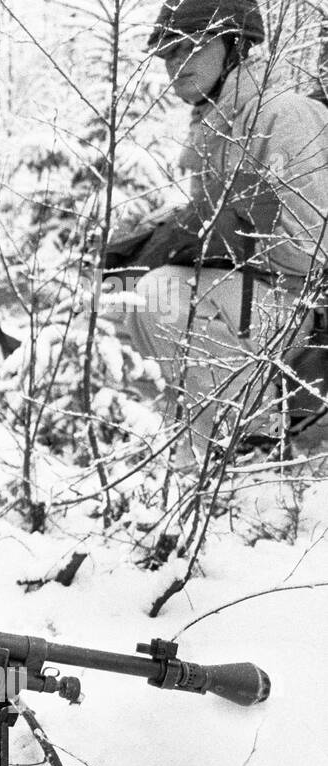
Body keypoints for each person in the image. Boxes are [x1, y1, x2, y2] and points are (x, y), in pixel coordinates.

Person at [110, 0, 328, 459]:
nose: (175, 62)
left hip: (304, 308)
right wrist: (164, 233)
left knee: (159, 295)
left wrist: (207, 229)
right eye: (166, 52)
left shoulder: (282, 113)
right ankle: (194, 452)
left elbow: (312, 252)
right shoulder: (215, 124)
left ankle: (246, 454)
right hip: (255, 299)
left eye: (189, 45)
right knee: (120, 294)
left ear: (234, 45)